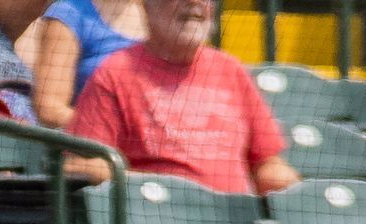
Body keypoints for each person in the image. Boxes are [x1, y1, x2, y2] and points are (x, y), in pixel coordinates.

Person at [62, 0, 299, 194]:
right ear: (146, 5)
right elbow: (83, 164)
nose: (194, 3)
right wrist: (157, 189)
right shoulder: (115, 73)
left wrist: (304, 202)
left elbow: (268, 164)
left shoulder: (230, 70)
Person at [27, 0, 144, 127]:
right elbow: (49, 109)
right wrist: (111, 131)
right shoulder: (69, 12)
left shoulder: (160, 17)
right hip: (90, 144)